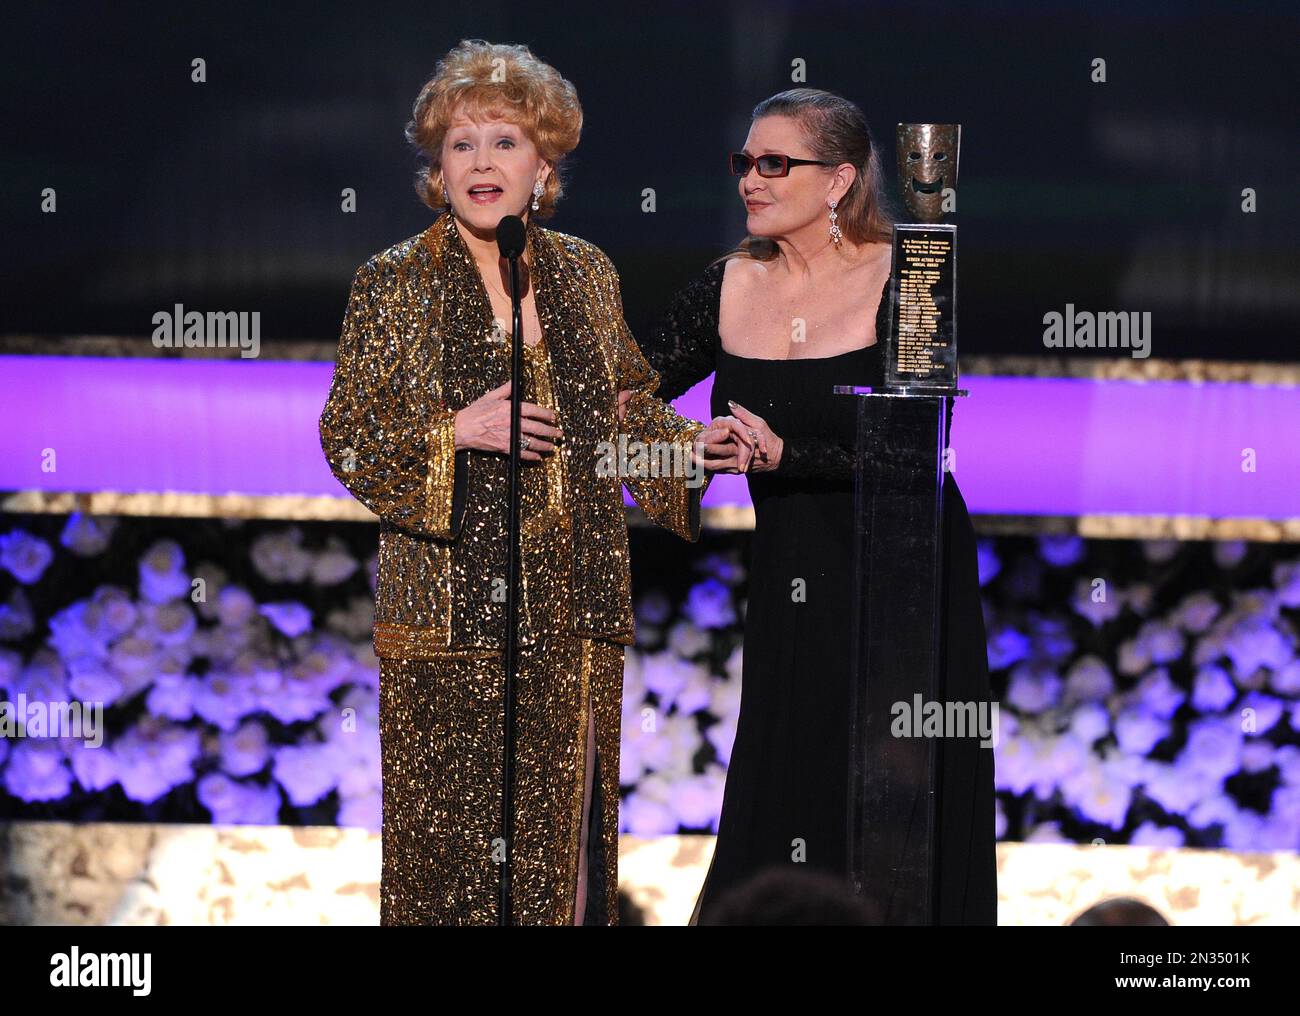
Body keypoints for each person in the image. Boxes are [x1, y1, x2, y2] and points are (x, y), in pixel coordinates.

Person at [318, 39, 724, 925]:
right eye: (461, 145)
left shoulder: (583, 274)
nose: (481, 163)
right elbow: (348, 434)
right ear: (437, 165)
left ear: (544, 162)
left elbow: (621, 426)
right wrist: (451, 433)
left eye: (504, 142)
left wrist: (696, 449)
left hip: (571, 613)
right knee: (448, 863)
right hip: (450, 614)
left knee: (560, 861)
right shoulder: (393, 282)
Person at [634, 88, 997, 925]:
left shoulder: (913, 272)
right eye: (744, 164)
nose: (750, 183)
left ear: (838, 181)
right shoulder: (725, 284)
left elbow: (918, 450)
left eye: (774, 164)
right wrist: (689, 448)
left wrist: (785, 454)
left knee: (896, 814)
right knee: (786, 789)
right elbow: (623, 403)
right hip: (792, 585)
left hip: (906, 583)